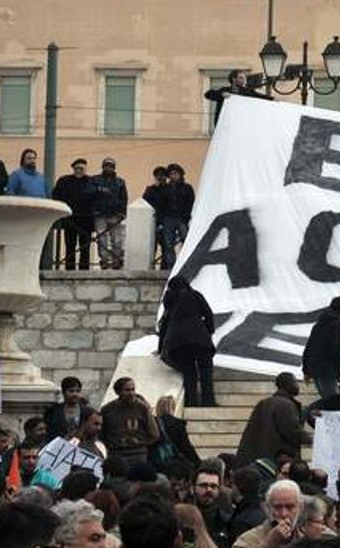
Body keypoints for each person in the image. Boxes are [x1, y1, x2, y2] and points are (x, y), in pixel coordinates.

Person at [156, 275, 217, 407]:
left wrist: (161, 347)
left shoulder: (169, 299)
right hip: (200, 339)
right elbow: (208, 314)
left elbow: (165, 323)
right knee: (205, 371)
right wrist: (208, 331)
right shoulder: (195, 295)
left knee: (189, 373)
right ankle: (208, 401)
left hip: (178, 342)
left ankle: (191, 402)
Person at [235, 372, 309, 468]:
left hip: (257, 457)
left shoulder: (264, 403)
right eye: (295, 382)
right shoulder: (286, 405)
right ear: (287, 384)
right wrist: (310, 439)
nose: (298, 386)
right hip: (274, 459)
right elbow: (292, 431)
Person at [100, 377, 160, 465]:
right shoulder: (107, 410)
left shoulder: (142, 408)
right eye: (127, 390)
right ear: (118, 392)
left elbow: (154, 433)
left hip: (138, 454)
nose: (131, 393)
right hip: (116, 454)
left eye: (133, 389)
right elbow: (101, 432)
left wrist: (140, 443)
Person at [302, 296, 340, 401]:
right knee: (335, 401)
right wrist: (339, 371)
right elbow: (336, 348)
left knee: (326, 399)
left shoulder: (319, 324)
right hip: (328, 370)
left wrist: (306, 370)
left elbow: (309, 347)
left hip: (314, 368)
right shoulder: (338, 324)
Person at [51, 158, 96, 271]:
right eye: (77, 168)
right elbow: (56, 195)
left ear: (85, 169)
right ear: (73, 169)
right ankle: (69, 269)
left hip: (86, 220)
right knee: (70, 246)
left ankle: (84, 271)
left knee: (85, 247)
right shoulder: (64, 181)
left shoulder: (91, 182)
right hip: (69, 219)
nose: (79, 171)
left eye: (81, 168)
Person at [87, 158, 128, 269]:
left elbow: (124, 198)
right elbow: (88, 192)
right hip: (100, 214)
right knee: (102, 240)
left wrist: (123, 213)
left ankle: (116, 260)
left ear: (114, 168)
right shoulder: (95, 180)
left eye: (110, 166)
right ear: (103, 167)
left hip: (115, 214)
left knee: (117, 239)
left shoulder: (120, 182)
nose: (108, 168)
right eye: (106, 166)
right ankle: (104, 261)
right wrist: (99, 189)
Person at [160, 164, 195, 269]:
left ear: (180, 174)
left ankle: (187, 264)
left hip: (182, 218)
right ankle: (171, 266)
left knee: (186, 241)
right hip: (168, 218)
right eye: (171, 174)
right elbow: (161, 204)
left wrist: (187, 216)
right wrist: (161, 219)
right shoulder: (165, 189)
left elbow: (191, 202)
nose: (173, 176)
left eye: (175, 173)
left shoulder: (187, 188)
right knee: (168, 243)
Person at [204, 69, 272, 119]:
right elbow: (207, 94)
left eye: (244, 78)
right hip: (225, 126)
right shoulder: (225, 90)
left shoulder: (247, 92)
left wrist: (274, 99)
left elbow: (260, 96)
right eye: (241, 78)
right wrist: (221, 94)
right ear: (234, 79)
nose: (244, 80)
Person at [43, 377, 95, 441]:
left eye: (77, 391)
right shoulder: (53, 412)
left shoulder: (88, 412)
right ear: (63, 392)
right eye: (71, 391)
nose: (75, 394)